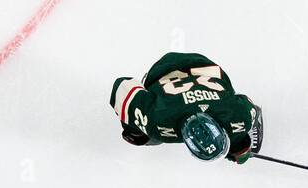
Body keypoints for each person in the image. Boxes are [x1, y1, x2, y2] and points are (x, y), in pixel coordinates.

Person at [111, 53, 262, 164]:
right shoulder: (158, 121)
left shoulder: (242, 116)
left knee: (235, 123)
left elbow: (122, 85)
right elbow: (121, 86)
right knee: (142, 134)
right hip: (181, 70)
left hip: (185, 68)